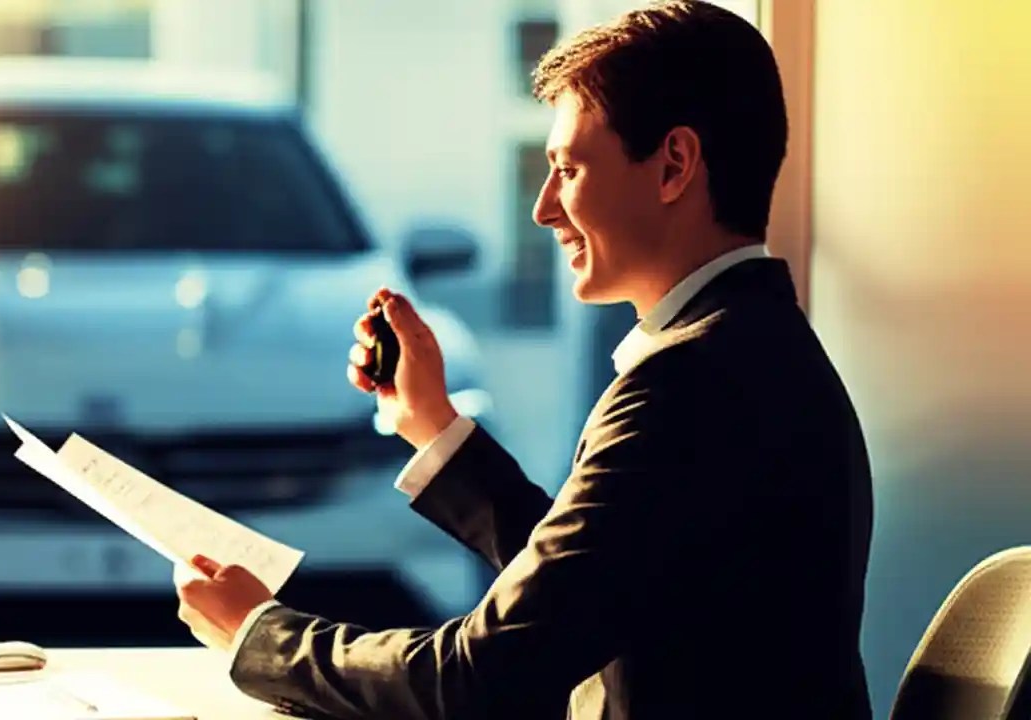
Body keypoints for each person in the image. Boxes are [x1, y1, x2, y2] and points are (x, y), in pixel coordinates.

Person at [174, 1, 874, 718]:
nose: (543, 208)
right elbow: (584, 590)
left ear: (673, 166)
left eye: (568, 169)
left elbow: (481, 675)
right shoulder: (753, 348)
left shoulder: (688, 385)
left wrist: (262, 637)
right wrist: (432, 426)